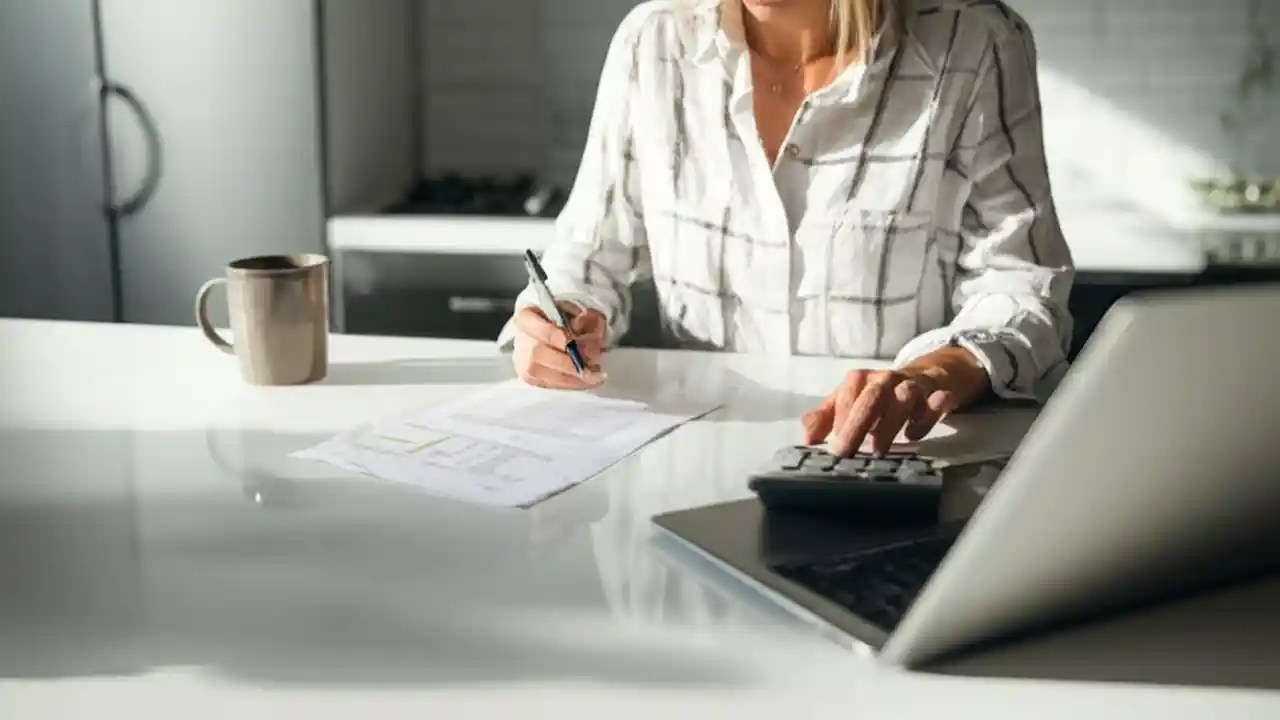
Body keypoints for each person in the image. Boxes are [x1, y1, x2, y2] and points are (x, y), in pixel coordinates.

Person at [502, 0, 1073, 456]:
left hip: (888, 460)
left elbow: (1020, 284)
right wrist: (556, 320)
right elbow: (587, 259)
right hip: (691, 461)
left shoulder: (972, 42)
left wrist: (930, 375)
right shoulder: (651, 43)